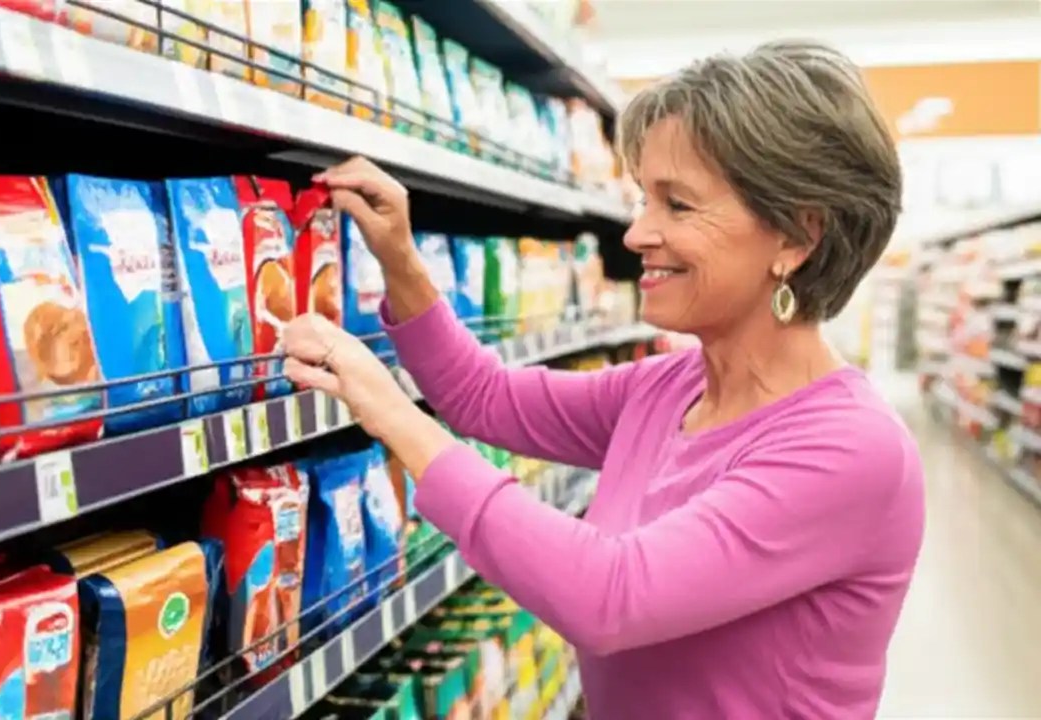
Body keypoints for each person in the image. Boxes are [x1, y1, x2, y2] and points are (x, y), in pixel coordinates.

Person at [283, 40, 923, 719]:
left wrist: (389, 411)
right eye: (644, 199)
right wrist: (402, 263)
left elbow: (609, 597)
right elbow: (486, 398)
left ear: (798, 237)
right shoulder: (671, 389)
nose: (637, 233)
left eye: (677, 206)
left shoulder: (851, 450)